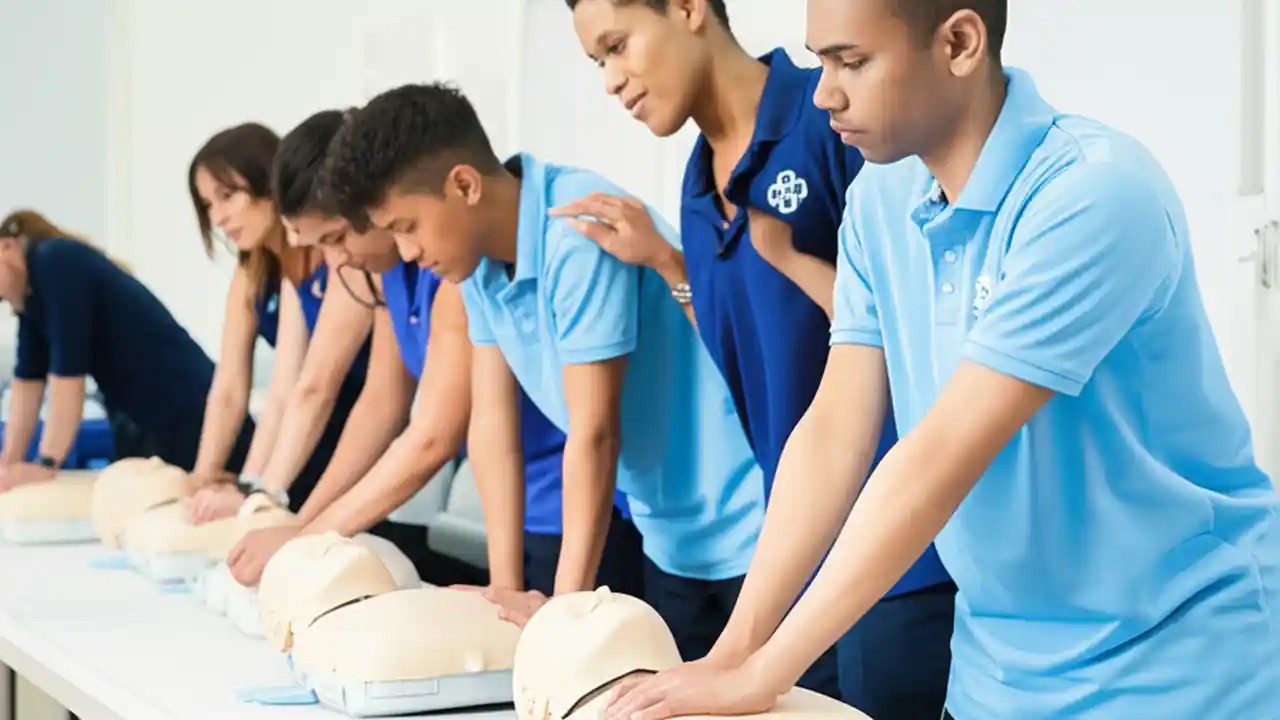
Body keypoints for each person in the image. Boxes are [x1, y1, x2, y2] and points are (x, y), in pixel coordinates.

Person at [600, 1, 1280, 719]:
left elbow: (940, 458)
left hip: (1174, 671)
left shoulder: (1093, 193)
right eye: (820, 61)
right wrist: (735, 651)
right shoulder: (879, 199)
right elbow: (833, 432)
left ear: (959, 43)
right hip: (997, 679)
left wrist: (767, 673)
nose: (824, 94)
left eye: (852, 62)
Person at [562, 0, 953, 711]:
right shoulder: (695, 187)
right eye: (598, 62)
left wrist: (792, 260)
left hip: (902, 563)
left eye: (618, 46)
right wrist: (670, 264)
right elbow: (745, 354)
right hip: (792, 562)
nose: (612, 80)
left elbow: (919, 338)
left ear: (688, 9)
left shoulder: (834, 120)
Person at [322, 83, 765, 661]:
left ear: (464, 185)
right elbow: (492, 429)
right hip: (670, 539)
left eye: (408, 226)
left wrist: (562, 608)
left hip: (751, 520)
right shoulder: (476, 265)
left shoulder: (575, 230)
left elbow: (595, 433)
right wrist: (504, 589)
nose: (406, 253)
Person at [227, 109, 644, 597]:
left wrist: (305, 536)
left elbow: (434, 435)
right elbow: (382, 404)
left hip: (575, 500)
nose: (337, 261)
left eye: (338, 238)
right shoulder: (389, 273)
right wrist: (305, 525)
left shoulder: (457, 264)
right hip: (518, 503)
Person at [185, 122, 373, 519]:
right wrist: (211, 479)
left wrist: (258, 491)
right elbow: (265, 390)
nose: (218, 218)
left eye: (228, 196)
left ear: (268, 183)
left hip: (350, 432)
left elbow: (313, 388)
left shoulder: (336, 257)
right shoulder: (267, 269)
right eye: (208, 205)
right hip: (305, 436)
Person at [0, 210, 252, 490]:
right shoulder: (30, 296)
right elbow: (27, 381)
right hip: (142, 422)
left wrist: (47, 464)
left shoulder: (54, 259)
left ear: (7, 245)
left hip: (190, 414)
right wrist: (8, 466)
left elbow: (68, 377)